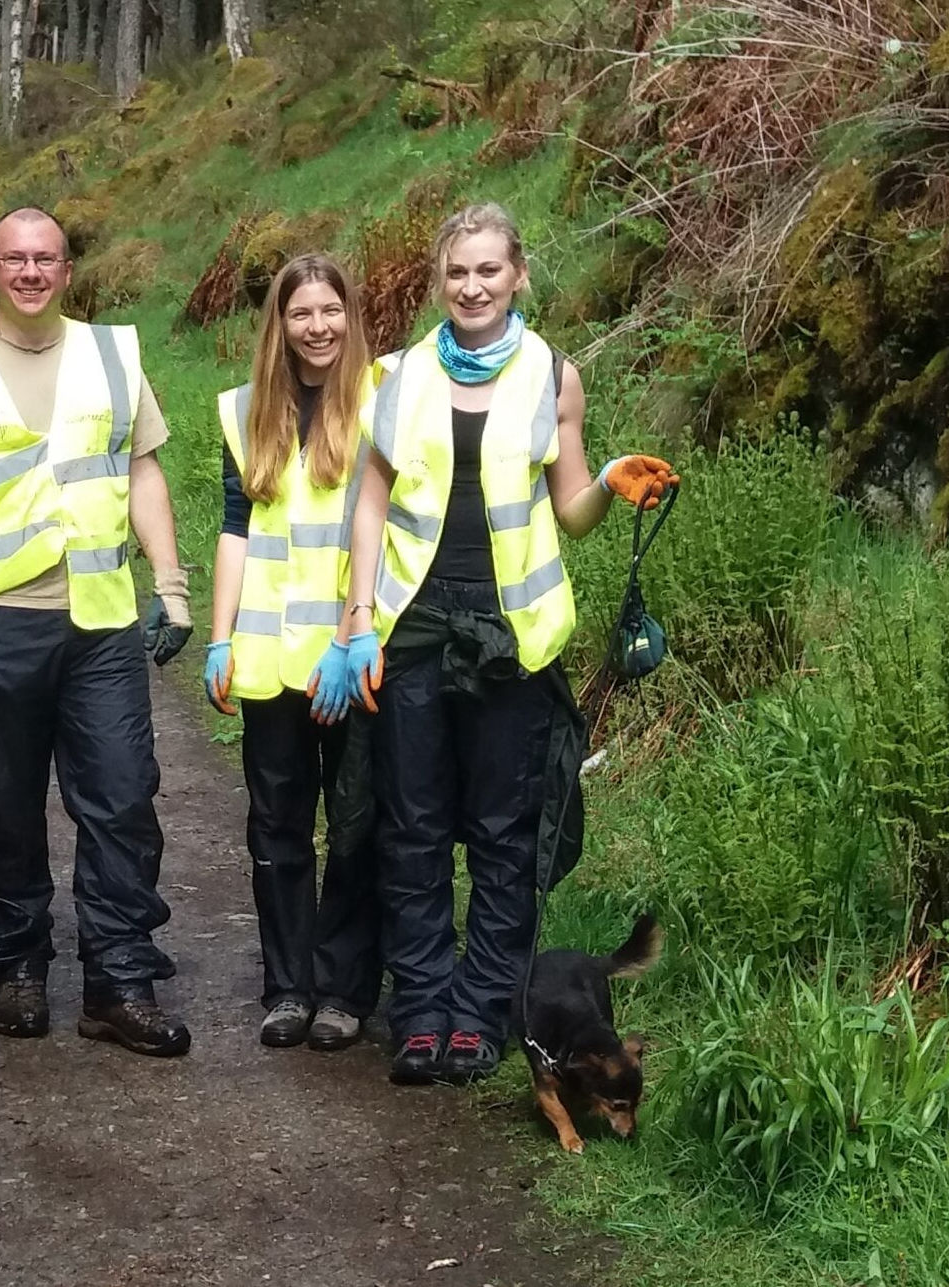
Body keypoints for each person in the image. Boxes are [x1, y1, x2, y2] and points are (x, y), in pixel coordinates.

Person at [339, 203, 677, 1087]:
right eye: (458, 271)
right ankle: (418, 1009)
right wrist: (355, 622)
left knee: (501, 836)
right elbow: (368, 502)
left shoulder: (554, 378)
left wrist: (609, 480)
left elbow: (569, 507)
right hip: (412, 629)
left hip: (512, 641)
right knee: (410, 830)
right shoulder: (397, 377)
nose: (473, 286)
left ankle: (482, 1011)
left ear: (518, 274)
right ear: (439, 279)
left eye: (489, 269)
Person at [0, 206, 193, 1058]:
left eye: (48, 258)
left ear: (69, 270)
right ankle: (18, 964)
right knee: (3, 802)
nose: (32, 272)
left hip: (100, 622)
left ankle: (119, 980)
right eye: (15, 259)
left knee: (120, 800)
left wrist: (170, 587)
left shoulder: (114, 354)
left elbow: (143, 470)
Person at [206, 254, 384, 1051]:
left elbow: (391, 529)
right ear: (279, 324)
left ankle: (345, 990)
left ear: (351, 317)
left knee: (353, 827)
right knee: (276, 828)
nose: (317, 327)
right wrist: (218, 638)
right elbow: (235, 530)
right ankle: (287, 987)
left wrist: (355, 633)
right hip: (273, 661)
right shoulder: (248, 411)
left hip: (351, 658)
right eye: (301, 313)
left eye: (330, 311)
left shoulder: (383, 403)